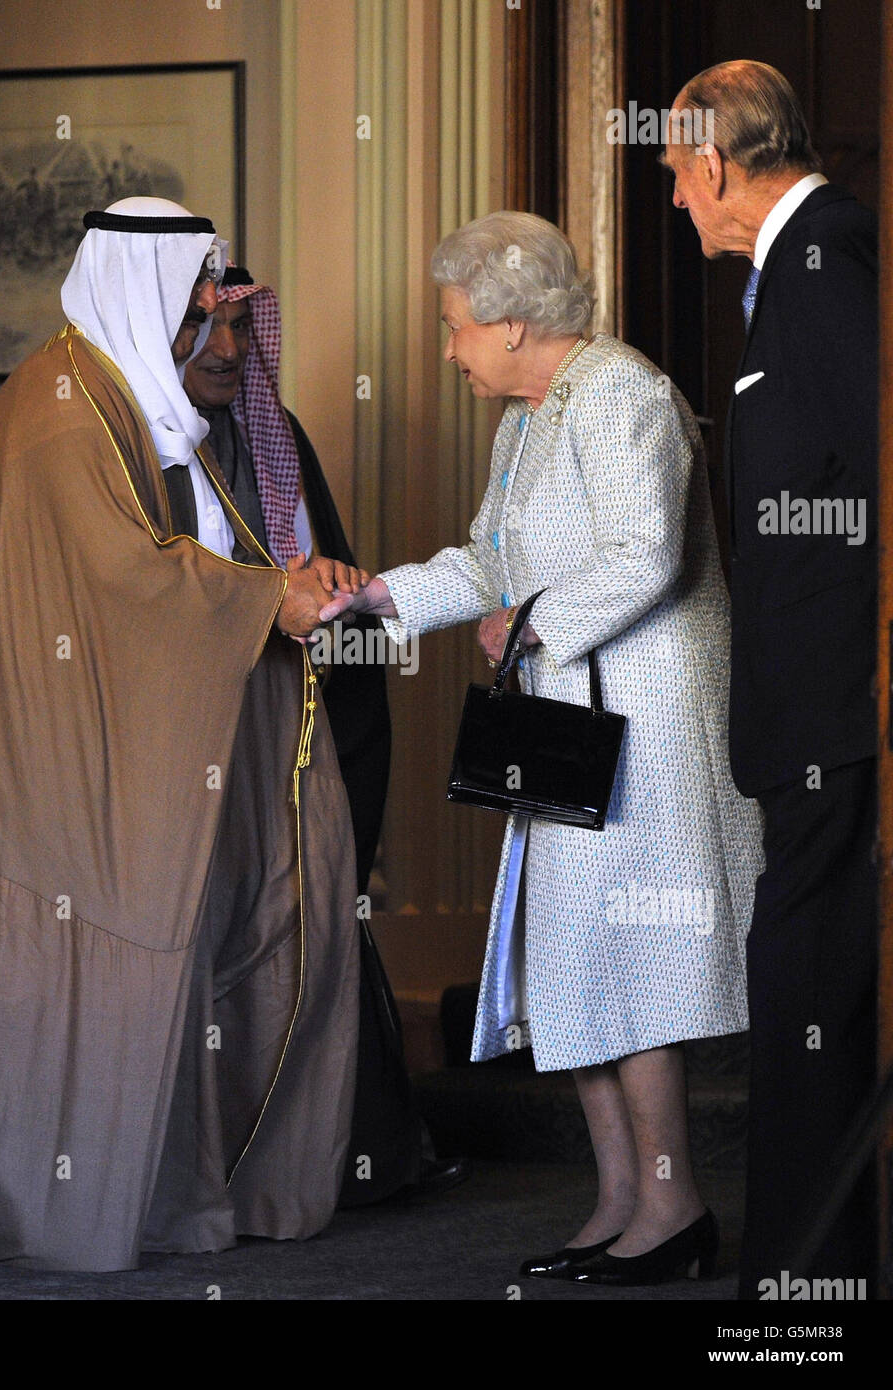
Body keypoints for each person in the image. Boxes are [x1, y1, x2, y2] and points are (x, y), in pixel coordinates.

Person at [0, 197, 366, 1271]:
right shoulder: (62, 405)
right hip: (13, 781)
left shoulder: (135, 402)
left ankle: (187, 1191)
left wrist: (282, 588)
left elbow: (184, 555)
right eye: (189, 313)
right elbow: (125, 578)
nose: (205, 337)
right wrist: (270, 599)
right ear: (138, 296)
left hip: (107, 763)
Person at [324, 211, 765, 1285]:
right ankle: (620, 1200)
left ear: (515, 324)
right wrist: (378, 596)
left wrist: (530, 621)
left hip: (645, 732)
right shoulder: (525, 418)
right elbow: (486, 560)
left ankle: (673, 1207)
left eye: (457, 326)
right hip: (571, 730)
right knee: (575, 961)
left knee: (639, 968)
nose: (447, 346)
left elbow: (647, 555)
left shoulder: (622, 393)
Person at [183, 264, 468, 1205]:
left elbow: (331, 595)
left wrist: (329, 590)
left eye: (240, 327)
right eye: (205, 328)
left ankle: (344, 1157)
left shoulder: (275, 433)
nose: (231, 351)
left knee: (321, 919)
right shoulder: (129, 448)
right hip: (197, 749)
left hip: (306, 731)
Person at [663, 61, 878, 1298]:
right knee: (800, 973)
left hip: (840, 703)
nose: (679, 208)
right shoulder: (785, 268)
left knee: (808, 976)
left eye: (678, 183)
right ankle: (806, 1265)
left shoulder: (823, 251)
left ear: (717, 166)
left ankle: (806, 1276)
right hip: (807, 709)